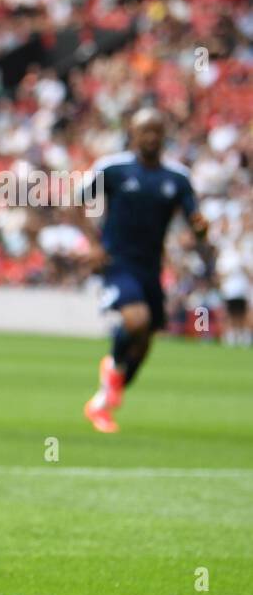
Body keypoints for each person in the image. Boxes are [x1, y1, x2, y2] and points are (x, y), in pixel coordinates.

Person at [81, 108, 207, 432]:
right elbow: (78, 202)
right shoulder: (113, 168)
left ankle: (104, 401)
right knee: (136, 320)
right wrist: (93, 245)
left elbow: (195, 220)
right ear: (132, 134)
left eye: (156, 131)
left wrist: (201, 229)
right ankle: (110, 369)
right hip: (117, 261)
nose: (150, 137)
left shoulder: (177, 177)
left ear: (164, 135)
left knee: (145, 342)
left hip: (151, 268)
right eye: (144, 131)